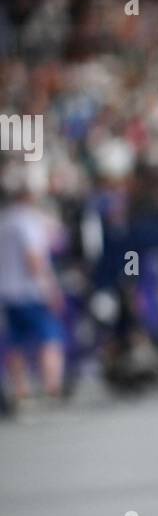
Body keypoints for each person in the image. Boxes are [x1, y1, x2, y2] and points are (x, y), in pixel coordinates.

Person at [0, 165, 66, 409]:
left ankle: (21, 391)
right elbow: (34, 259)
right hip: (30, 291)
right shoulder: (28, 221)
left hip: (8, 291)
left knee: (15, 342)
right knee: (51, 337)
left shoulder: (4, 221)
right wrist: (49, 287)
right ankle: (52, 388)